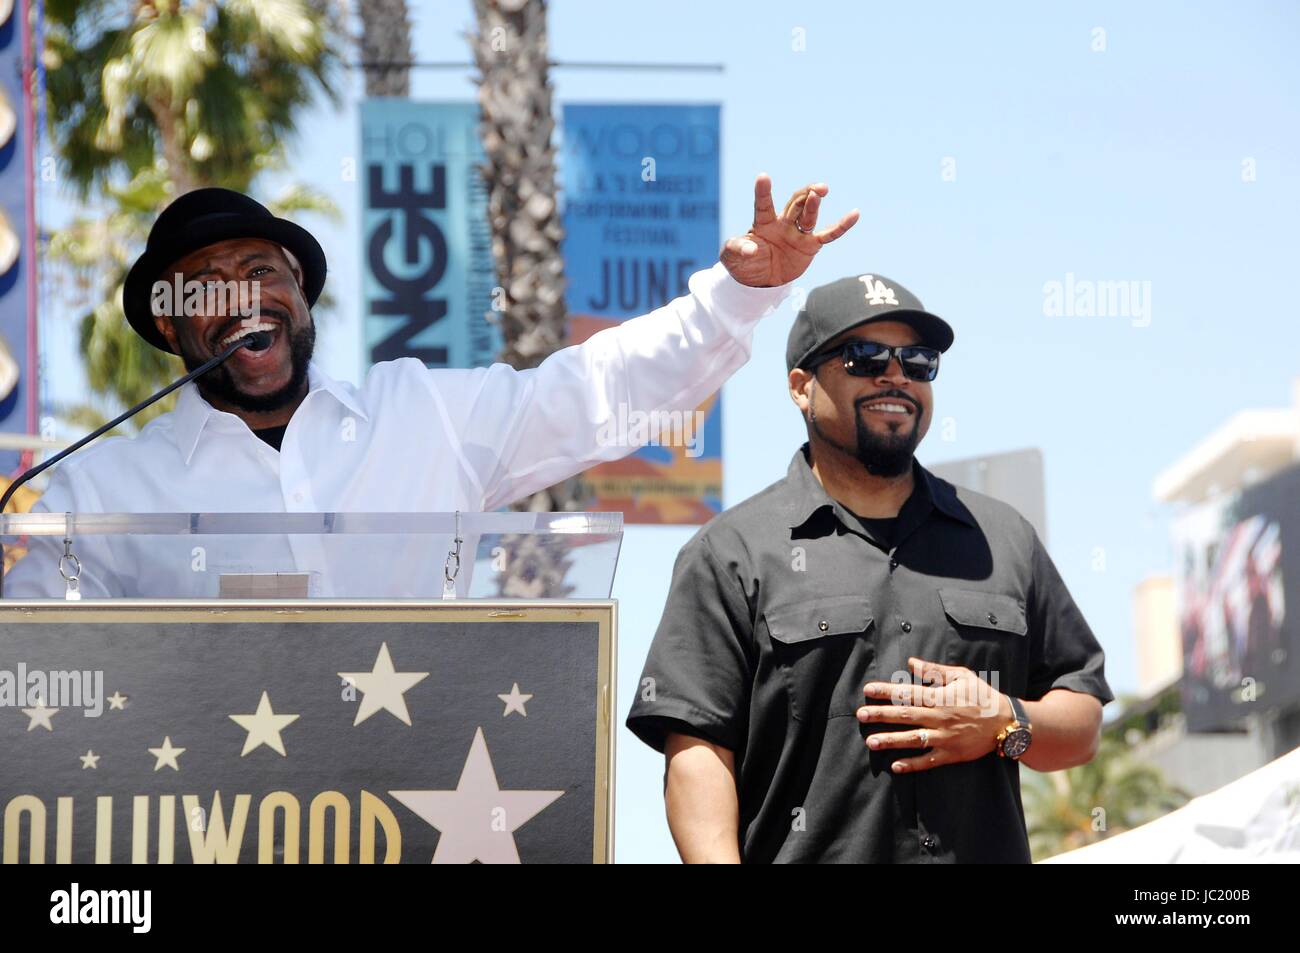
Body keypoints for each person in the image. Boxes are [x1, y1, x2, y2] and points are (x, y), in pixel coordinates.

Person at [4, 177, 857, 598]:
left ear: (301, 299)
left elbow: (602, 388)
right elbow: (40, 678)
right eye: (205, 285)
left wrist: (742, 291)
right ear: (171, 326)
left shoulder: (423, 412)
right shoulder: (95, 490)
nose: (238, 297)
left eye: (261, 271)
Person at [626, 272, 1114, 863]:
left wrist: (1005, 722)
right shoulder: (731, 552)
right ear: (801, 387)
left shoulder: (1004, 538)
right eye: (864, 357)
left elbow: (1081, 722)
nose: (896, 376)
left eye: (918, 361)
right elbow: (699, 751)